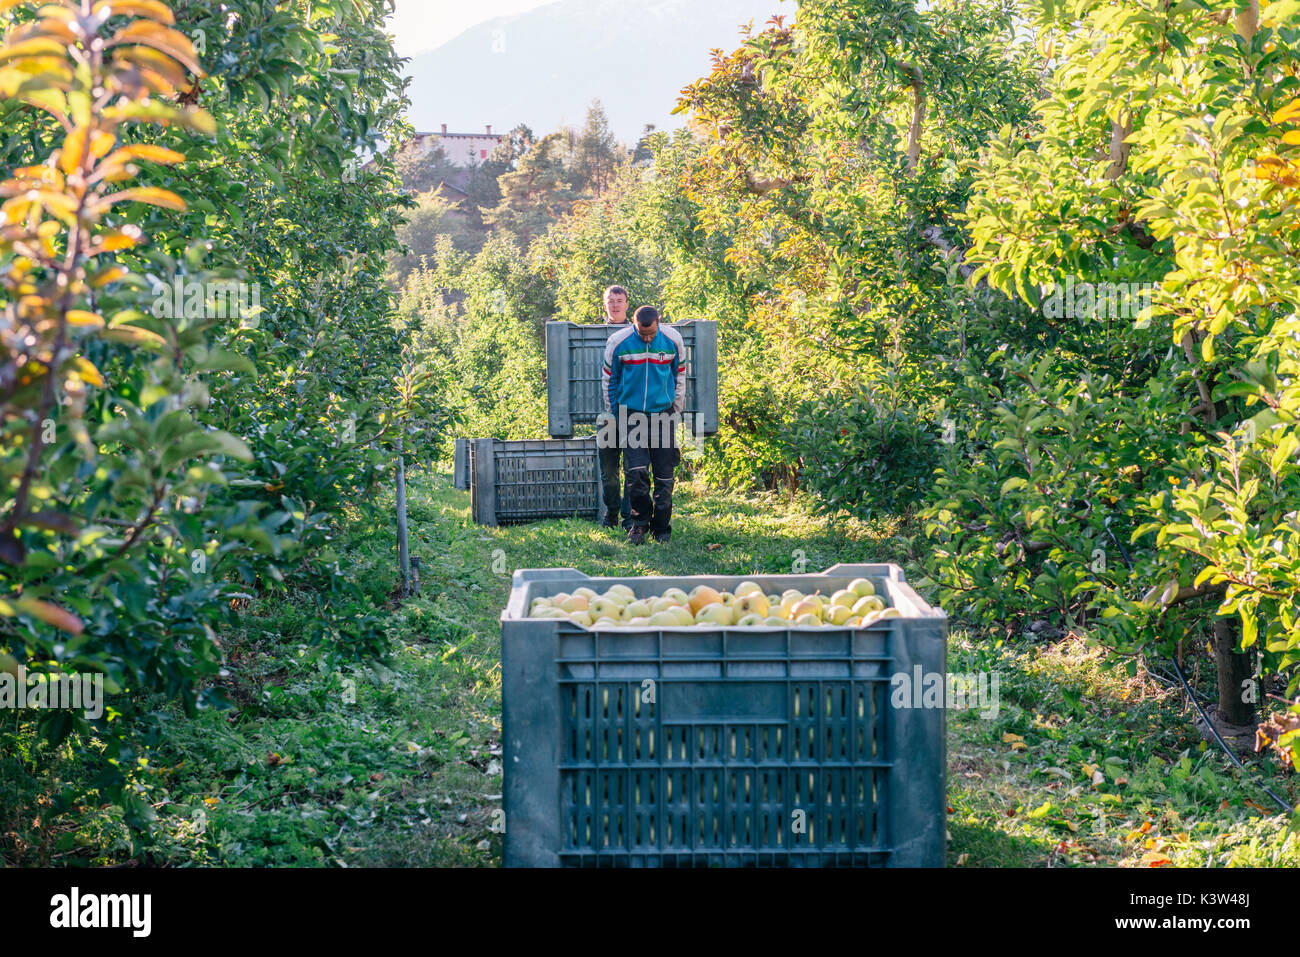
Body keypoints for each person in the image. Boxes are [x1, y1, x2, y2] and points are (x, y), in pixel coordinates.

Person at [601, 305, 685, 544]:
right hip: (631, 415)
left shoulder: (672, 340)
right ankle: (638, 525)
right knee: (636, 474)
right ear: (634, 324)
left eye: (651, 333)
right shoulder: (619, 342)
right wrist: (616, 412)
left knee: (664, 477)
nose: (647, 337)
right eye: (642, 333)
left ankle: (661, 529)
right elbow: (609, 379)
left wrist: (675, 408)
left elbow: (680, 375)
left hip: (663, 414)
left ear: (659, 322)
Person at [597, 285, 633, 529]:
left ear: (627, 304)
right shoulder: (595, 333)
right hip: (607, 416)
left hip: (634, 414)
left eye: (619, 300)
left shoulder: (639, 333)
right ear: (605, 304)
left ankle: (630, 518)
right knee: (609, 474)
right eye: (611, 300)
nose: (615, 304)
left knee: (635, 470)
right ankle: (612, 509)